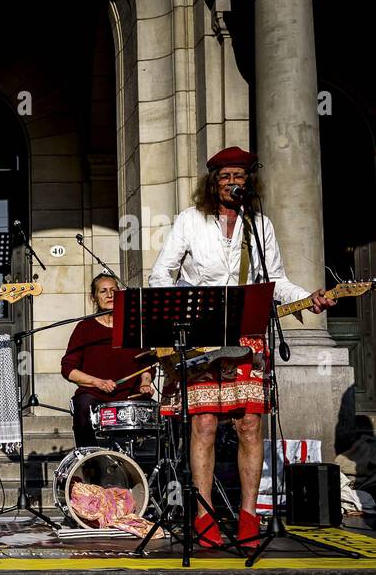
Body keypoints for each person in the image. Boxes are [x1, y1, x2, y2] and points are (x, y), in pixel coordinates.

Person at [147, 145, 334, 547]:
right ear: (213, 182)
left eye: (240, 176)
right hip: (199, 335)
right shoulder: (189, 221)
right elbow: (162, 272)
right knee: (205, 423)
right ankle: (204, 515)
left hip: (247, 335)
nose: (234, 182)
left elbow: (276, 281)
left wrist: (308, 296)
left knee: (249, 424)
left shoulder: (259, 225)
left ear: (249, 181)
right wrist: (179, 316)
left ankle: (249, 515)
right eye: (226, 176)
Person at [60, 272, 154, 447]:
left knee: (161, 415)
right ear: (94, 297)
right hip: (95, 395)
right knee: (82, 407)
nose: (110, 295)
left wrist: (145, 382)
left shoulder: (133, 325)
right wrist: (98, 382)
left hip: (130, 395)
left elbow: (147, 363)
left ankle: (155, 468)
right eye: (103, 291)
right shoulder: (85, 328)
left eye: (113, 290)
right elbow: (68, 369)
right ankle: (91, 462)